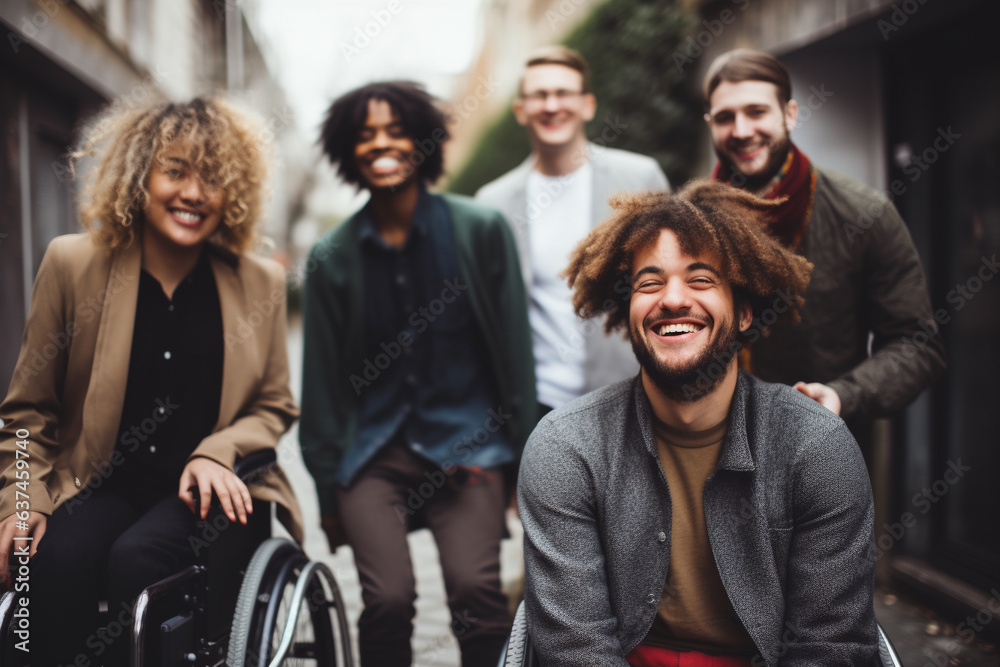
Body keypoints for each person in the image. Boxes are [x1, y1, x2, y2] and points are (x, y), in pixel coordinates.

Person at [518, 182, 879, 666]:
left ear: (745, 311)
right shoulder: (566, 448)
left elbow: (830, 648)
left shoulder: (816, 448)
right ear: (630, 314)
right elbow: (575, 650)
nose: (672, 299)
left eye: (701, 279)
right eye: (649, 283)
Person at [0, 97, 302, 666]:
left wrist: (219, 451)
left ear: (231, 191)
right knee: (51, 561)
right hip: (99, 484)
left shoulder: (259, 281)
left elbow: (274, 404)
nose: (194, 192)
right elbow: (26, 415)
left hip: (215, 498)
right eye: (176, 171)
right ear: (140, 176)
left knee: (139, 561)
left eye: (212, 178)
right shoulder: (72, 264)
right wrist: (20, 500)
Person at [300, 81, 535, 667]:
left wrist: (523, 463)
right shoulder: (332, 258)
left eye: (395, 129)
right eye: (365, 134)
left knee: (476, 596)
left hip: (470, 449)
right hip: (371, 458)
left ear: (422, 140)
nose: (381, 143)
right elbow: (323, 387)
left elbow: (514, 357)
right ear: (346, 151)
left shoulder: (480, 231)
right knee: (385, 600)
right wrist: (328, 490)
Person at [703, 48, 945, 446]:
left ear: (790, 114)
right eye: (726, 117)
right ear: (710, 123)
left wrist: (842, 396)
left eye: (756, 112)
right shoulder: (687, 221)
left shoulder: (864, 213)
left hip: (821, 451)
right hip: (708, 452)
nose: (742, 130)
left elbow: (916, 345)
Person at [476, 45, 670, 417]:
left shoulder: (640, 178)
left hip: (633, 396)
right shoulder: (493, 202)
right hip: (536, 407)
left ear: (587, 105)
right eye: (539, 95)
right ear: (520, 110)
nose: (552, 105)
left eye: (563, 93)